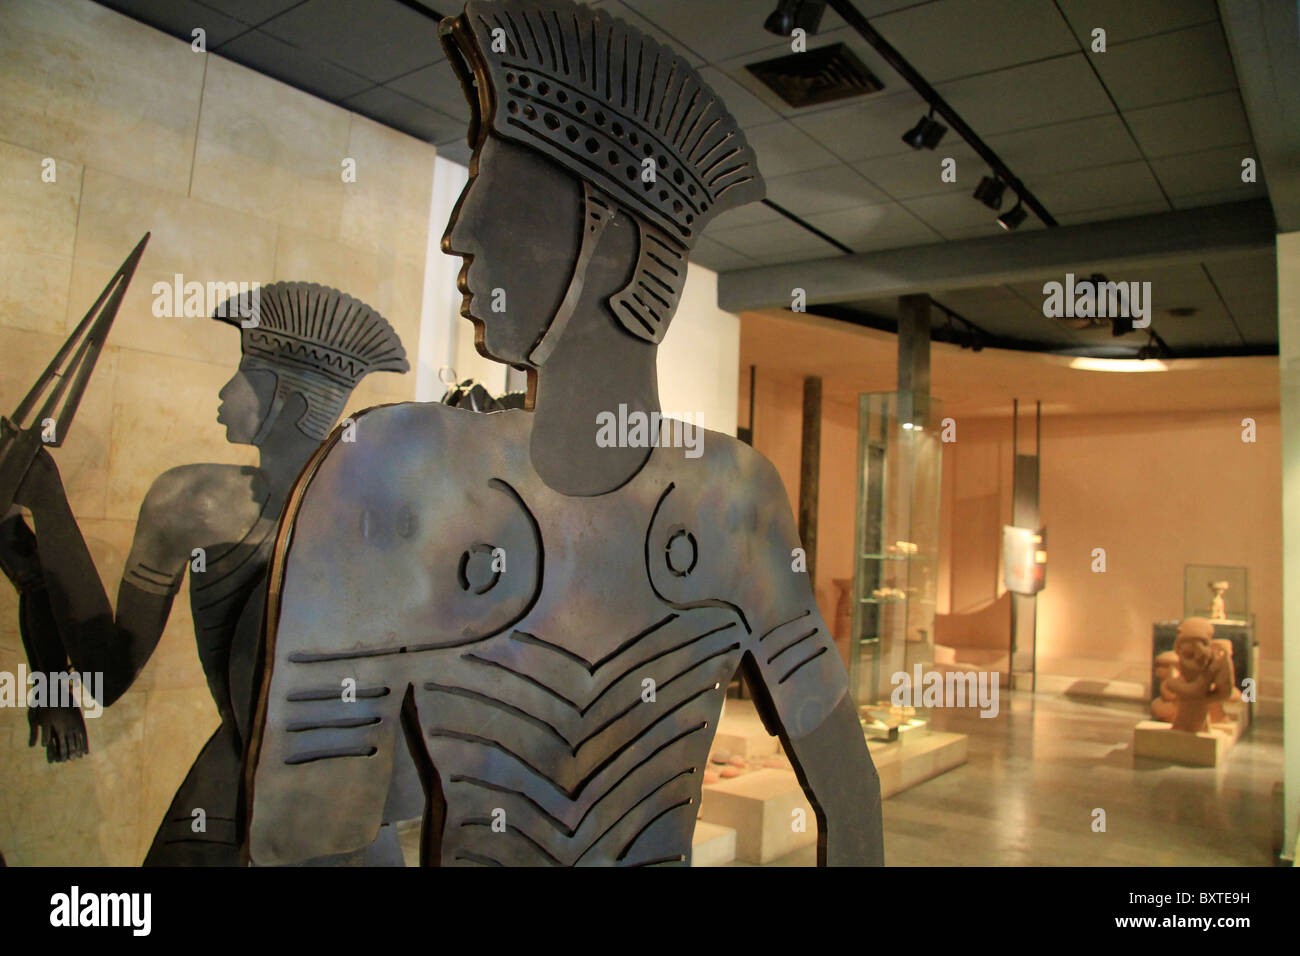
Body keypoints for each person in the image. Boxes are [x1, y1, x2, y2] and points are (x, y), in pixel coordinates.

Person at [246, 0, 883, 867]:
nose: (459, 234)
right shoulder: (393, 472)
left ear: (613, 252)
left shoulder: (734, 495)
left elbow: (849, 794)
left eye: (502, 196)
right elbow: (311, 836)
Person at [2, 283, 410, 864]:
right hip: (319, 806)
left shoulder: (202, 502)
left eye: (245, 376)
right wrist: (38, 536)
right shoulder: (370, 517)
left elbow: (105, 675)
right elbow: (105, 673)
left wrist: (47, 509)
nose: (224, 391)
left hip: (284, 806)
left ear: (291, 405)